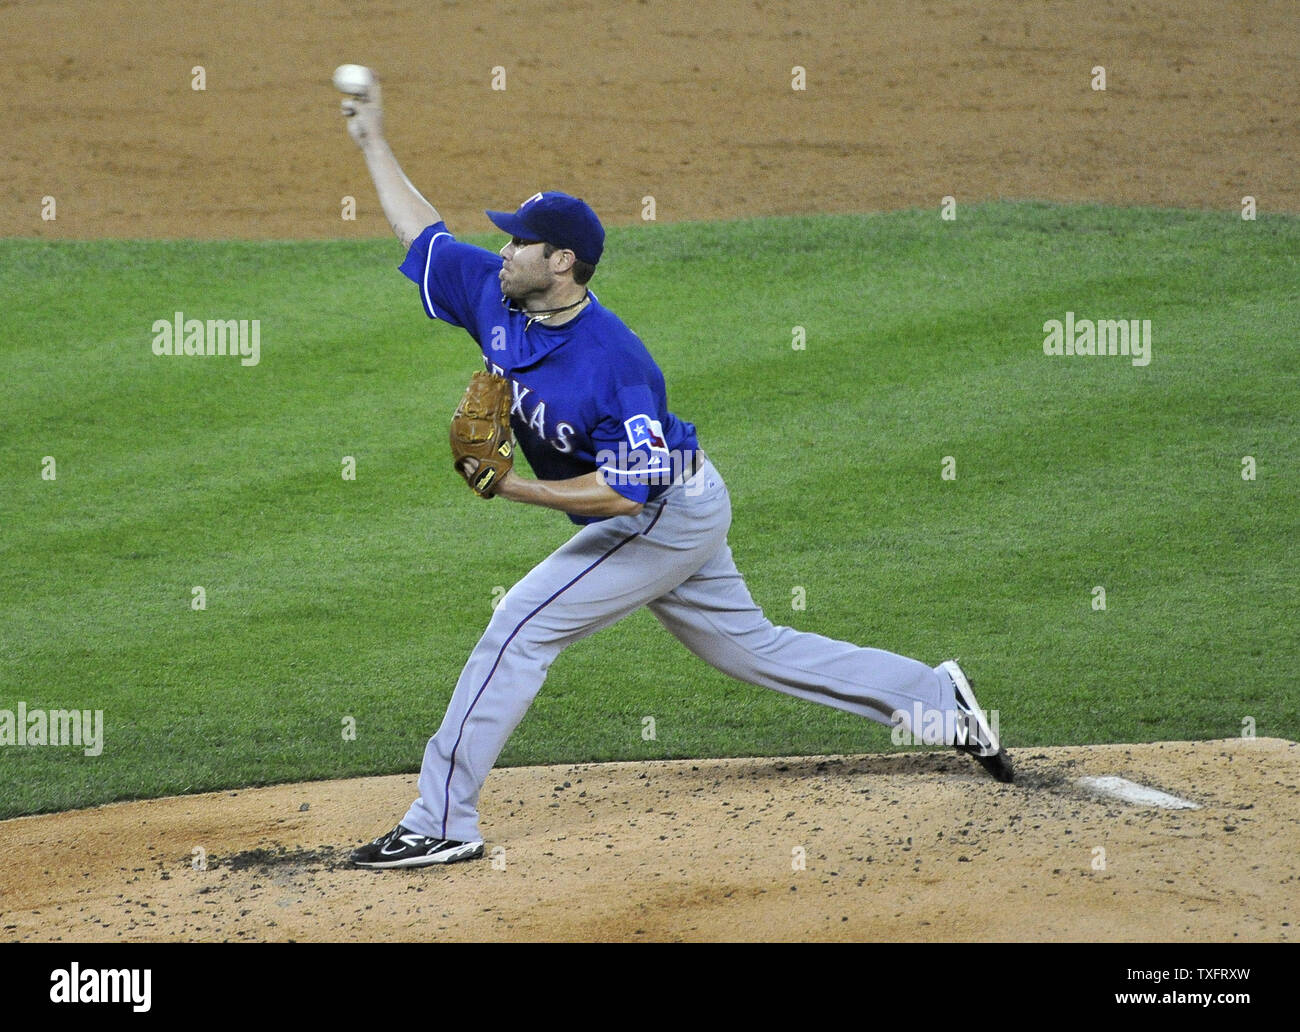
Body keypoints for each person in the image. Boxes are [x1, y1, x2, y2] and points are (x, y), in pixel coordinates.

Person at [339, 77, 1012, 869]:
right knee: (753, 649)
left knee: (519, 626)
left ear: (562, 263)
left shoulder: (615, 363)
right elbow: (423, 234)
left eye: (519, 241)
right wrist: (373, 141)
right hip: (667, 508)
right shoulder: (495, 294)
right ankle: (939, 705)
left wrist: (514, 487)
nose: (502, 249)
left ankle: (442, 820)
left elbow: (627, 492)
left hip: (662, 512)